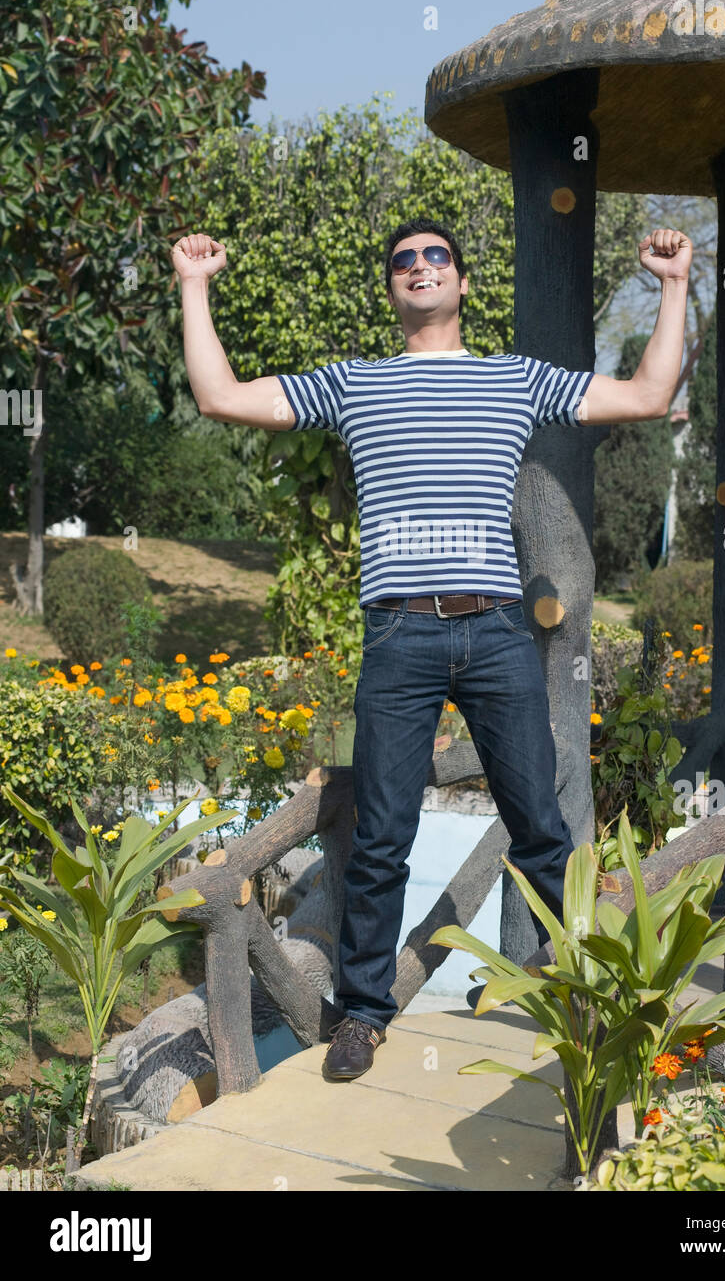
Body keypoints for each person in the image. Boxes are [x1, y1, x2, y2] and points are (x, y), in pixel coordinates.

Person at [172, 219, 691, 1081]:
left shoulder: (513, 379)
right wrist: (195, 285)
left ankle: (573, 993)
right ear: (392, 288)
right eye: (403, 260)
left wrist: (672, 286)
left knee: (542, 828)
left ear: (459, 281)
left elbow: (643, 393)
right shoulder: (355, 385)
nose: (419, 267)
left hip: (495, 631)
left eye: (435, 257)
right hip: (400, 632)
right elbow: (220, 397)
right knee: (381, 836)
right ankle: (364, 1014)